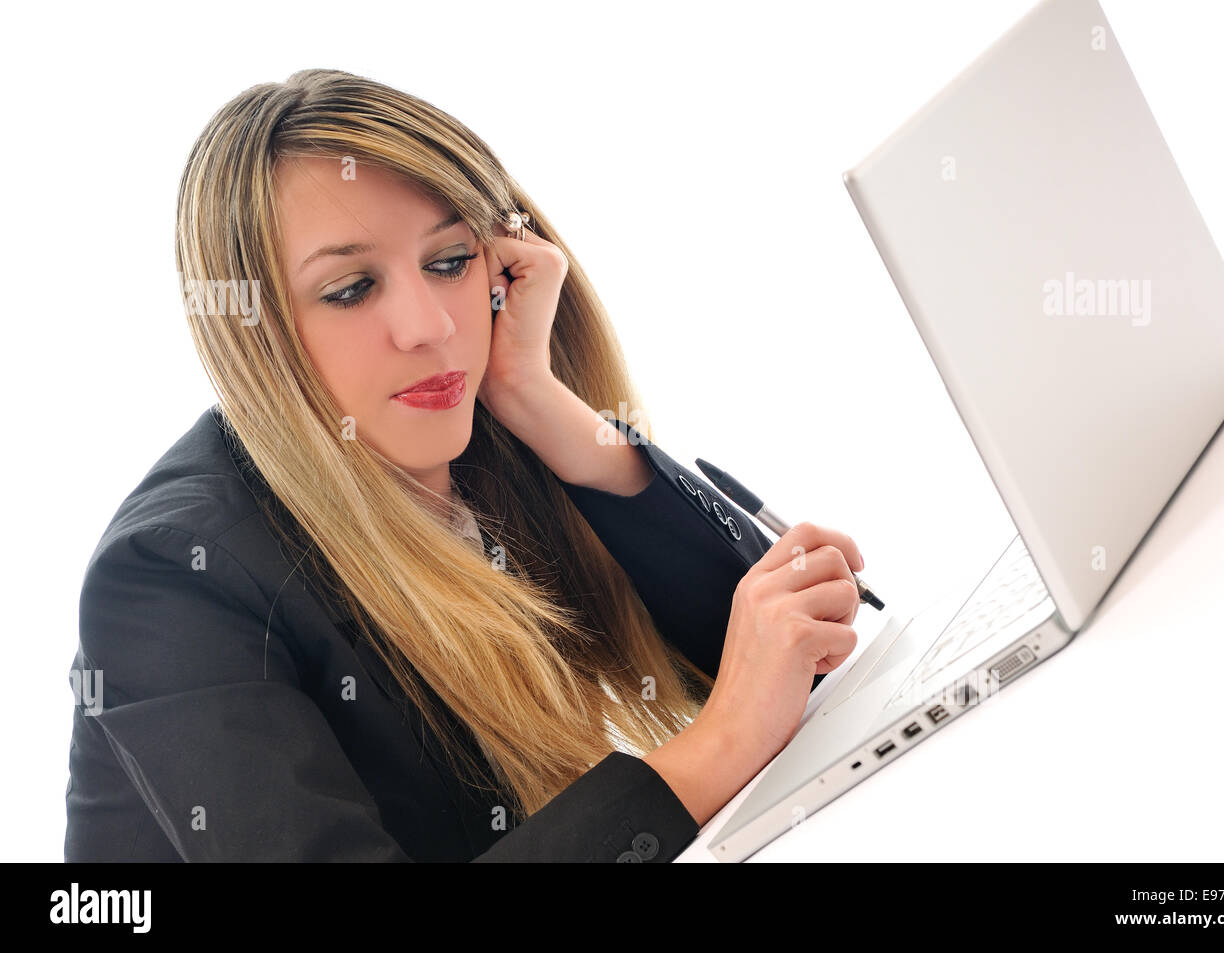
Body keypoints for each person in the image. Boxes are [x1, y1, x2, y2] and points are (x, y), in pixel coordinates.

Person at [64, 68, 866, 862]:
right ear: (255, 328)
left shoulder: (477, 431)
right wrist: (721, 742)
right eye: (350, 288)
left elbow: (787, 659)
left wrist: (538, 400)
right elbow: (743, 713)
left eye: (450, 261)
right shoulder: (171, 575)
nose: (429, 326)